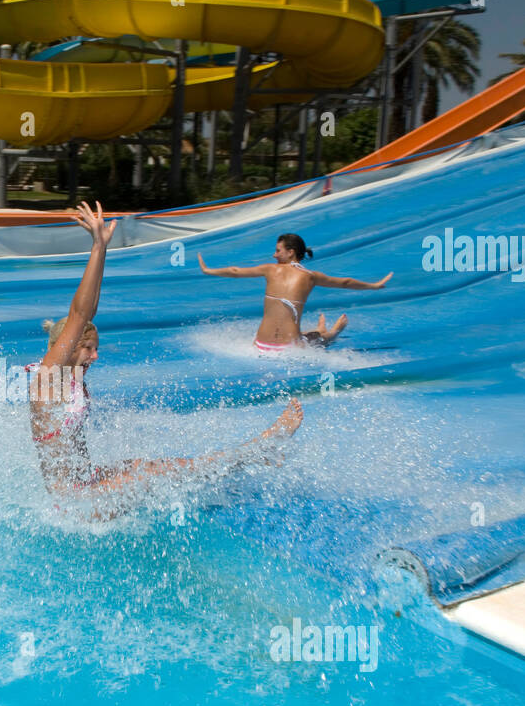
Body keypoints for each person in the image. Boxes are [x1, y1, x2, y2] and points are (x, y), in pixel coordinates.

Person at [30, 202, 304, 514]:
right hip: (75, 504)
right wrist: (98, 247)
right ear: (65, 349)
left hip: (83, 486)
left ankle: (250, 458)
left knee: (150, 465)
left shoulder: (74, 381)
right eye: (88, 348)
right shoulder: (49, 377)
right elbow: (81, 312)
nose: (96, 355)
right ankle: (255, 452)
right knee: (156, 475)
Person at [198, 234, 392, 353]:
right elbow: (345, 283)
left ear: (291, 252)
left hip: (260, 346)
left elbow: (235, 271)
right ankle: (332, 332)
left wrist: (208, 270)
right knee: (318, 339)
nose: (274, 255)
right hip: (290, 349)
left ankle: (321, 329)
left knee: (306, 333)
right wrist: (373, 286)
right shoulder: (310, 276)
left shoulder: (269, 269)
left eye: (277, 251)